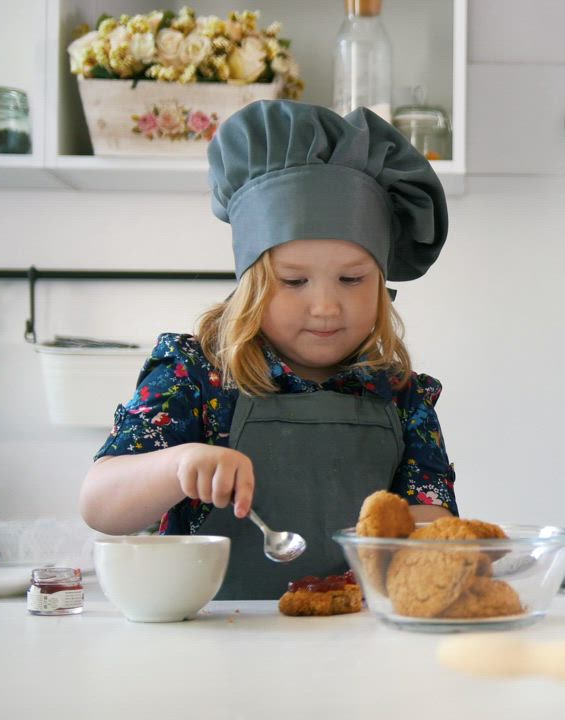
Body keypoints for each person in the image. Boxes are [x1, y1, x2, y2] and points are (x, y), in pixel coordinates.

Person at [80, 100, 456, 599]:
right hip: (210, 646)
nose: (326, 306)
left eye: (351, 279)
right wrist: (178, 465)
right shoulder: (196, 378)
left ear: (381, 283)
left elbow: (432, 522)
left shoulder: (400, 396)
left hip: (355, 642)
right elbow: (99, 506)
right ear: (251, 284)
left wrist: (424, 536)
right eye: (294, 281)